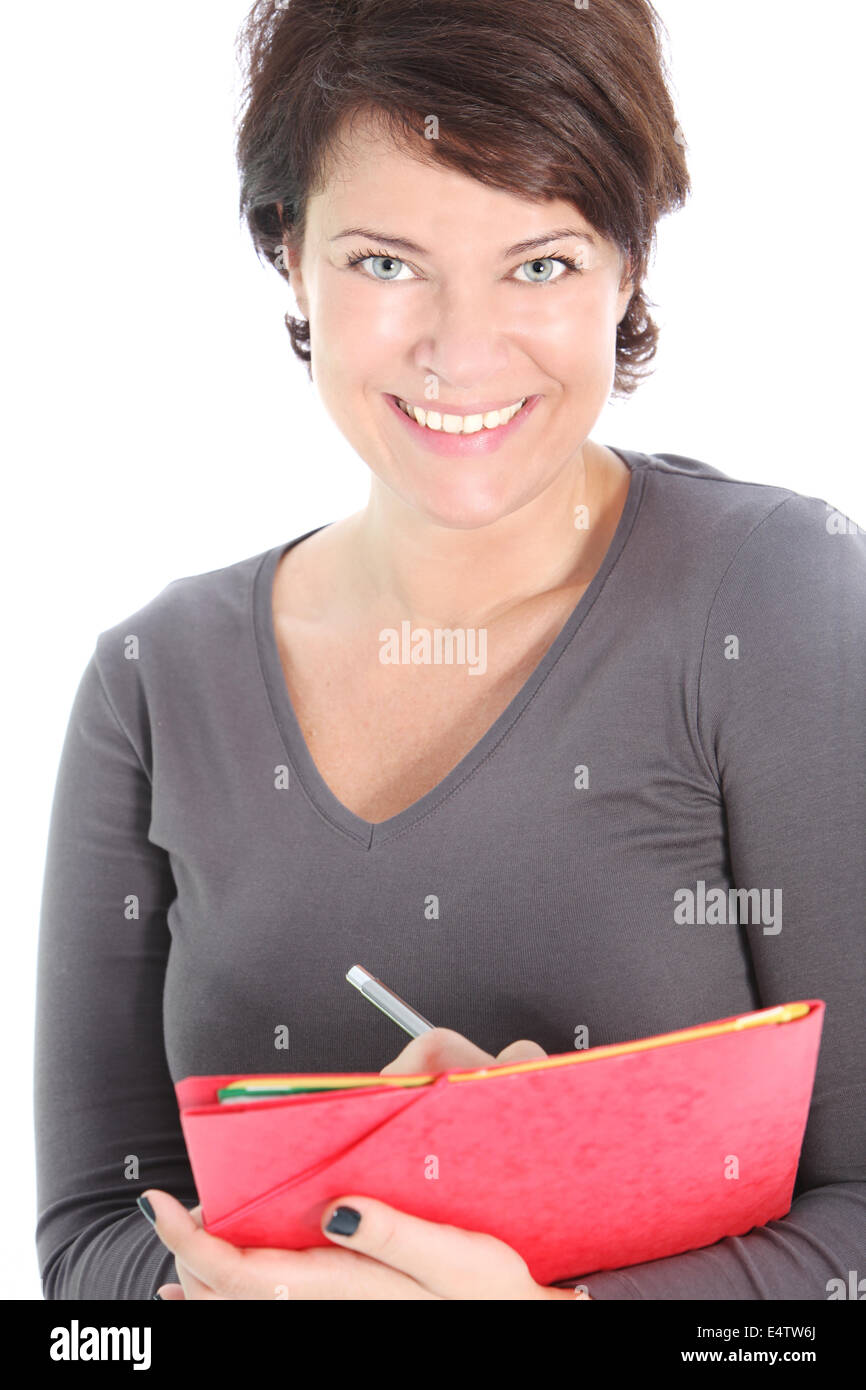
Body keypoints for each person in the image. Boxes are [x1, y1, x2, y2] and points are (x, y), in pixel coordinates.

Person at [34, 0, 865, 1300]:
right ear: (286, 252)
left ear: (628, 265)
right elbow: (88, 1245)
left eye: (538, 263)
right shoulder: (151, 684)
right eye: (384, 261)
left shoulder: (777, 599)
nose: (460, 349)